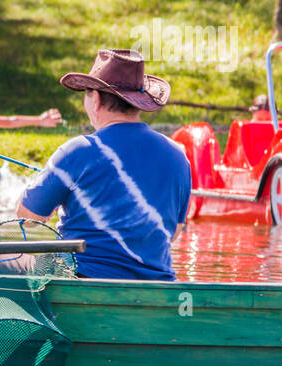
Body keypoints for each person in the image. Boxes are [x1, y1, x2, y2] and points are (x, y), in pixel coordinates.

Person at [15, 49, 191, 281]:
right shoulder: (178, 156)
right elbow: (173, 233)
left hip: (83, 281)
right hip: (156, 286)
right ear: (137, 101)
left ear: (95, 98)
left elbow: (27, 217)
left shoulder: (77, 150)